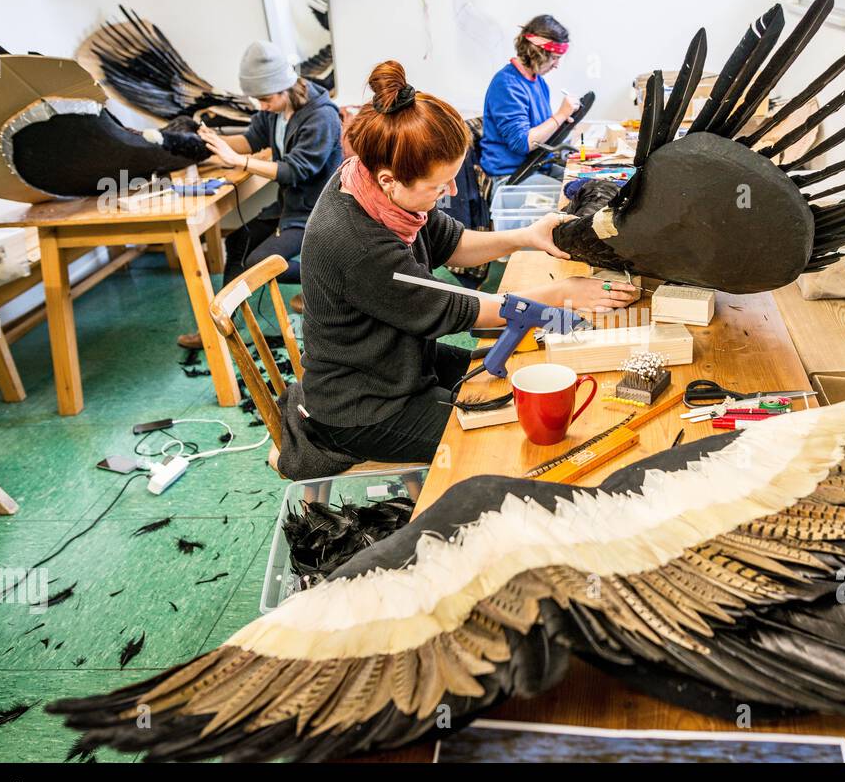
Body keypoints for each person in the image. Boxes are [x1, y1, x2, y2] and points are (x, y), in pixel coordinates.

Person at [298, 60, 637, 464]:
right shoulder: (355, 241)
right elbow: (454, 309)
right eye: (440, 185)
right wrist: (562, 293)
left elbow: (452, 242)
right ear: (389, 180)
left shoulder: (374, 184)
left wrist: (526, 237)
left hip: (398, 362)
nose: (452, 191)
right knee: (509, 438)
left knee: (517, 379)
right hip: (363, 405)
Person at [177, 40, 342, 348]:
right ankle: (224, 325)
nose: (261, 105)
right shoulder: (274, 112)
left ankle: (341, 278)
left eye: (265, 98)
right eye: (258, 99)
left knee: (261, 262)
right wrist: (212, 148)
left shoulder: (322, 116)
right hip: (290, 206)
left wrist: (239, 162)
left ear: (286, 87)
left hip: (320, 211)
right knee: (237, 241)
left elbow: (296, 170)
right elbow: (251, 139)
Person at [479, 14, 577, 190]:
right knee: (574, 197)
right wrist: (560, 115)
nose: (556, 65)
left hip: (536, 167)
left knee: (584, 184)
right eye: (554, 57)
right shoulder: (507, 84)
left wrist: (563, 123)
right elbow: (522, 143)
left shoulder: (538, 82)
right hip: (511, 177)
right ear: (537, 52)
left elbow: (541, 133)